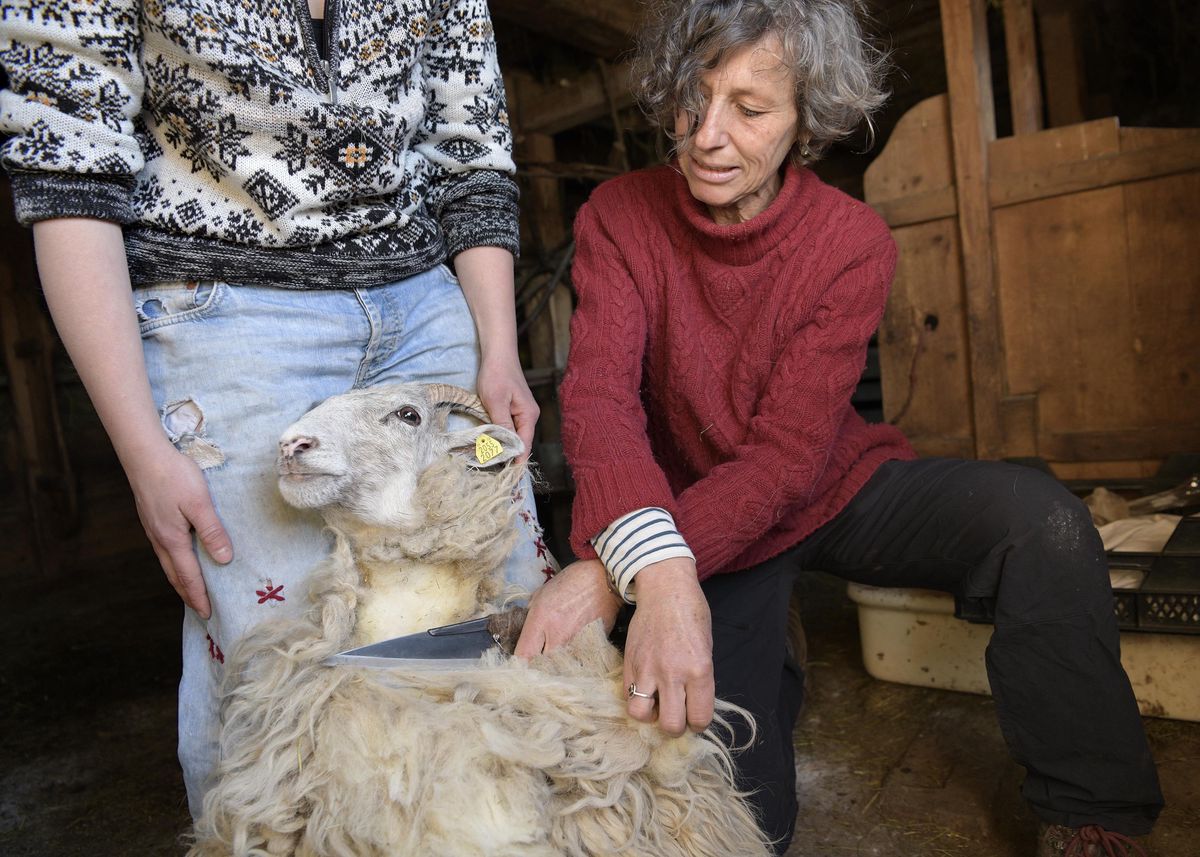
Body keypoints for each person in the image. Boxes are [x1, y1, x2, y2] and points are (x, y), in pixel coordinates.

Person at [514, 1, 1164, 855]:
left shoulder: (851, 242)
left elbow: (786, 462)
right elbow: (599, 405)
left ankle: (1091, 810)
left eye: (750, 109)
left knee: (1037, 517)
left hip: (828, 485)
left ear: (805, 121)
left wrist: (619, 576)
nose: (708, 135)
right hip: (690, 514)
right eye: (692, 99)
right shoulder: (619, 216)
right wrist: (658, 562)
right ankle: (772, 641)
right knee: (737, 814)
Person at [0, 0, 552, 818]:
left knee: (496, 632)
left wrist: (498, 348)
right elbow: (69, 170)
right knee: (291, 681)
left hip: (426, 303)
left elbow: (467, 148)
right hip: (229, 315)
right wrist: (143, 448)